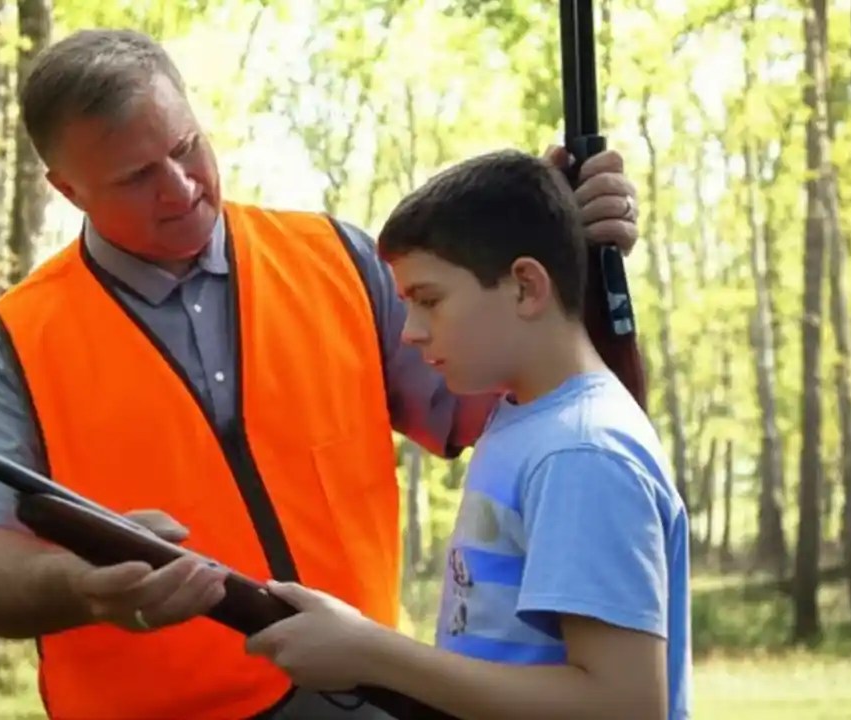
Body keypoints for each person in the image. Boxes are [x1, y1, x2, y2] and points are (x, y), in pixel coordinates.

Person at [0, 28, 644, 720]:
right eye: (136, 176)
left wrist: (564, 261)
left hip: (367, 698)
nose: (180, 188)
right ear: (68, 189)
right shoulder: (15, 341)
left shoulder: (337, 259)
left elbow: (529, 406)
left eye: (186, 148)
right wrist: (82, 586)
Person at [245, 150, 690, 720]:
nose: (409, 332)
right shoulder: (522, 419)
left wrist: (370, 652)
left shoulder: (581, 452)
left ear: (527, 287)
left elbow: (621, 704)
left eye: (428, 301)